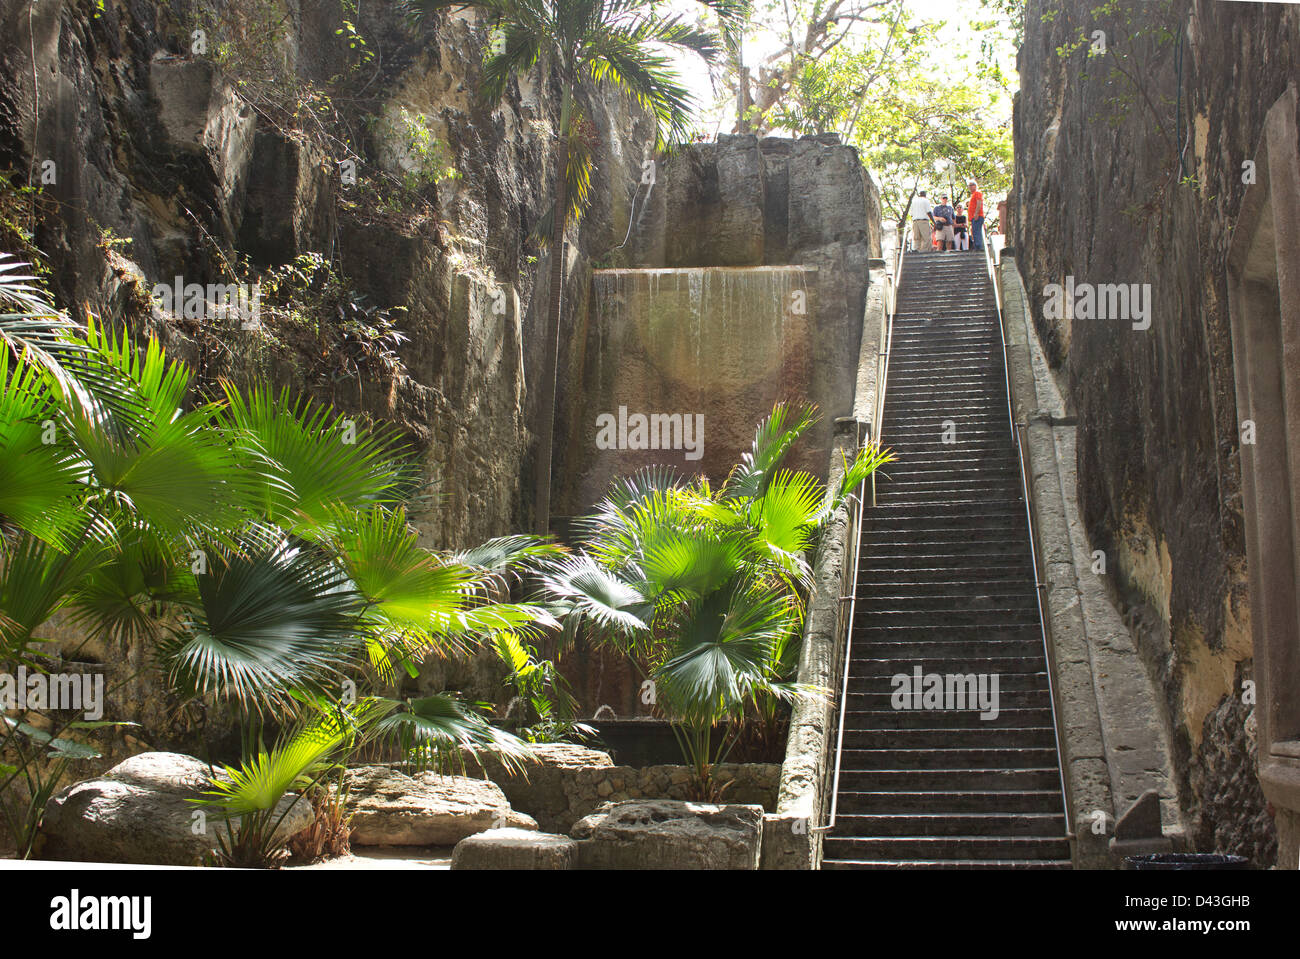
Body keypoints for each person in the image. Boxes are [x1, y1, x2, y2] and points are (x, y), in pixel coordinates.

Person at [967, 179, 986, 252]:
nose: (970, 187)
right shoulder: (973, 195)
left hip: (977, 216)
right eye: (969, 186)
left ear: (975, 186)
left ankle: (979, 247)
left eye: (972, 185)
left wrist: (976, 213)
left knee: (977, 231)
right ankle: (977, 246)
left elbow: (979, 203)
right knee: (974, 231)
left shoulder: (977, 193)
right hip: (973, 218)